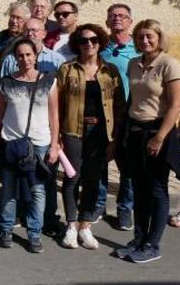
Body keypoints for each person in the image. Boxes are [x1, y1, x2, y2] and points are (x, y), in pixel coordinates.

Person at [116, 20, 180, 263]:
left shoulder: (169, 64)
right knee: (139, 188)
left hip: (159, 132)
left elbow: (176, 105)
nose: (144, 41)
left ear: (159, 37)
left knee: (156, 189)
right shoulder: (134, 64)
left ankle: (152, 244)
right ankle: (139, 238)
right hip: (135, 132)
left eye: (149, 36)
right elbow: (132, 99)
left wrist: (159, 137)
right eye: (140, 37)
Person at [57, 25, 125, 250]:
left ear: (100, 42)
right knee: (72, 177)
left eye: (93, 40)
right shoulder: (67, 69)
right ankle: (71, 226)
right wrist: (57, 135)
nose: (89, 44)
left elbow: (118, 106)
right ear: (77, 43)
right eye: (84, 40)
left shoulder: (110, 71)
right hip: (73, 131)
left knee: (93, 179)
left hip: (100, 133)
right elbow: (58, 104)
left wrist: (114, 138)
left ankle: (85, 225)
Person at [0, 38, 60, 253]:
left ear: (35, 56)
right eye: (20, 55)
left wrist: (54, 146)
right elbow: (0, 114)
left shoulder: (49, 81)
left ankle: (34, 233)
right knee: (9, 189)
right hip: (11, 142)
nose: (25, 59)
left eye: (29, 54)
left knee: (37, 190)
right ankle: (5, 229)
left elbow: (54, 115)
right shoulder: (5, 82)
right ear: (15, 58)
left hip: (39, 143)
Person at [97, 3, 138, 230]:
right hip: (105, 114)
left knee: (127, 166)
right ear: (107, 22)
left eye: (122, 16)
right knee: (101, 161)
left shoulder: (140, 48)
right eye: (112, 16)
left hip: (131, 115)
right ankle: (99, 205)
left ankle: (125, 209)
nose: (117, 19)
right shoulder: (101, 48)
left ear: (130, 21)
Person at [0, 18, 66, 78]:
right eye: (26, 30)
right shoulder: (11, 60)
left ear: (44, 34)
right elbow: (2, 87)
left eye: (34, 30)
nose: (30, 33)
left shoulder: (56, 60)